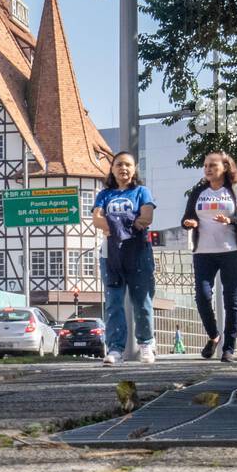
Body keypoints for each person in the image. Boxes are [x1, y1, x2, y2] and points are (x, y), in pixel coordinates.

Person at [182, 151, 237, 363]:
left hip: (231, 251)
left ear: (225, 167)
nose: (208, 169)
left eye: (213, 165)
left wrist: (231, 220)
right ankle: (213, 336)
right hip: (203, 252)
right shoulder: (198, 191)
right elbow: (186, 218)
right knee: (202, 296)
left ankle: (229, 348)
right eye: (206, 165)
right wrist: (191, 223)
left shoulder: (235, 189)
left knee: (231, 300)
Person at [92, 152, 156, 365]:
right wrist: (125, 223)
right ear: (112, 169)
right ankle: (115, 348)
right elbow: (97, 219)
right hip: (111, 254)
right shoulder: (104, 195)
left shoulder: (142, 192)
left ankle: (146, 344)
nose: (123, 169)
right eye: (119, 164)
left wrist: (118, 224)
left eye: (128, 165)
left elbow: (146, 217)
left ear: (134, 169)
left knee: (142, 301)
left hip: (138, 252)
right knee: (113, 302)